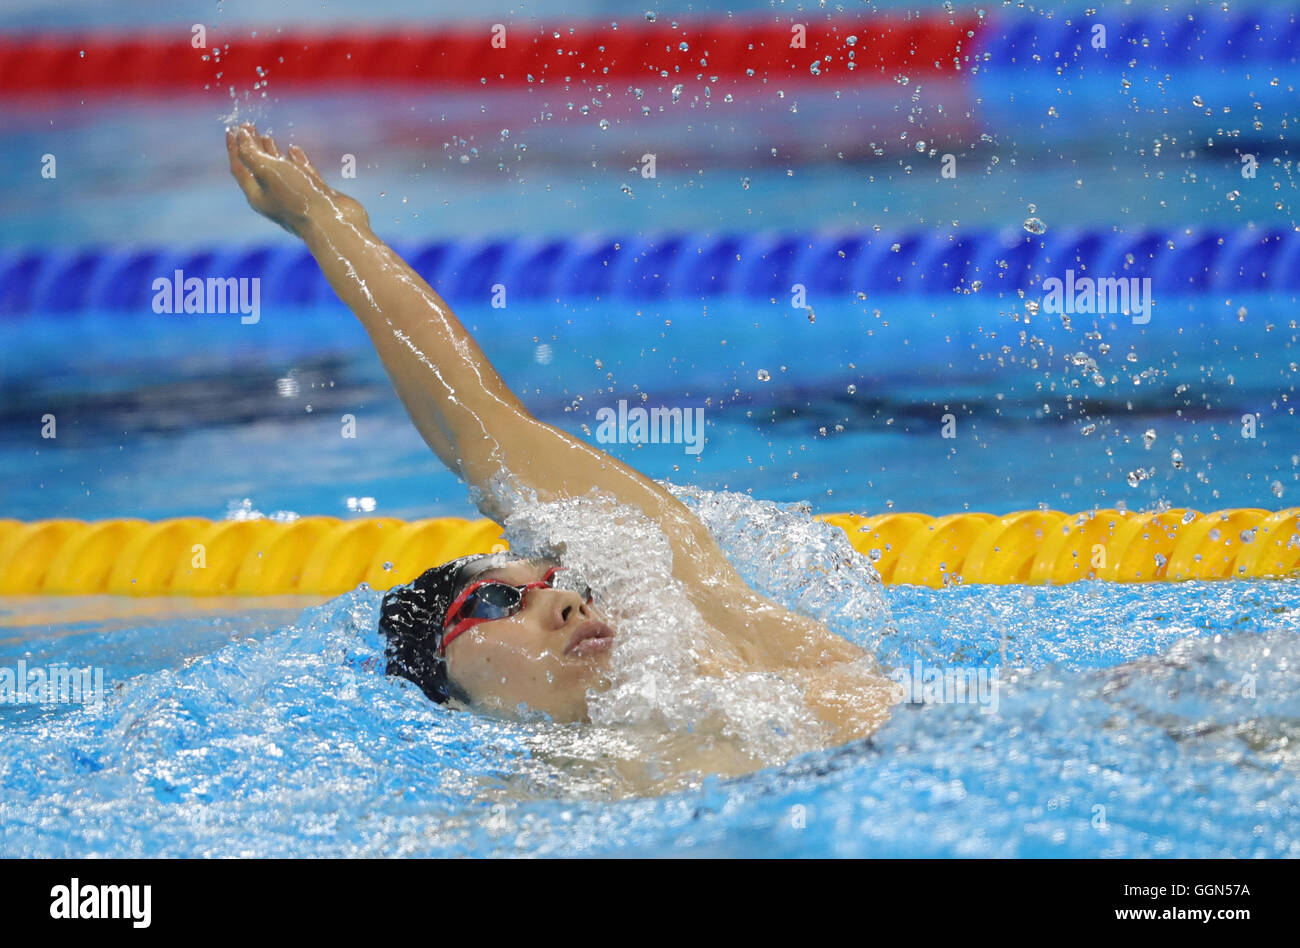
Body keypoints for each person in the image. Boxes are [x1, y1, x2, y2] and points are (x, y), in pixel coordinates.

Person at [226, 122, 893, 750]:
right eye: (497, 601)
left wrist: (329, 225)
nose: (566, 599)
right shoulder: (507, 820)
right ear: (447, 695)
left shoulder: (719, 635)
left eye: (563, 579)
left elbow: (481, 427)